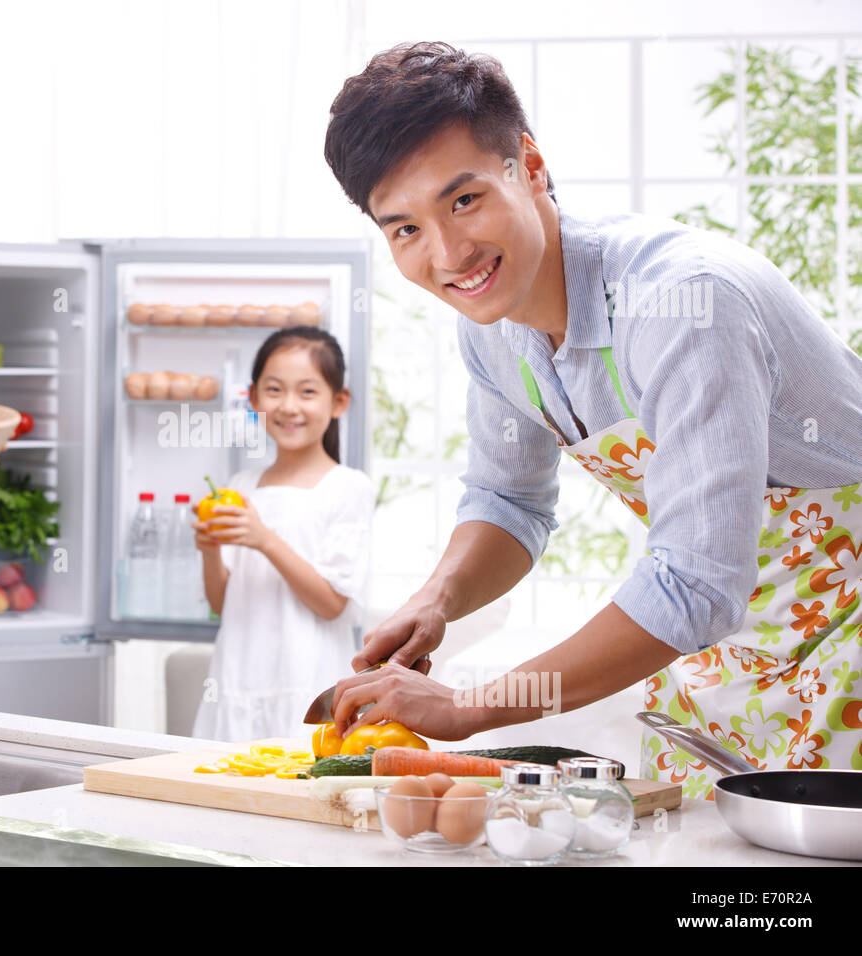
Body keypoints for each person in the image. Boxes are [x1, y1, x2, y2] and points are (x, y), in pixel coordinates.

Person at [323, 42, 862, 798]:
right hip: (731, 656)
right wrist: (434, 602)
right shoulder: (491, 326)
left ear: (530, 166)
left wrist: (473, 707)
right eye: (405, 229)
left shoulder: (683, 306)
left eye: (464, 199)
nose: (449, 253)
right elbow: (510, 503)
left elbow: (698, 582)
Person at [190, 327, 376, 743]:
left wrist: (265, 540)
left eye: (307, 392)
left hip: (305, 679)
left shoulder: (347, 486)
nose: (289, 406)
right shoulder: (243, 483)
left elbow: (331, 603)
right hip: (236, 675)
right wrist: (208, 551)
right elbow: (224, 604)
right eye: (274, 390)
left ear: (338, 402)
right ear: (254, 398)